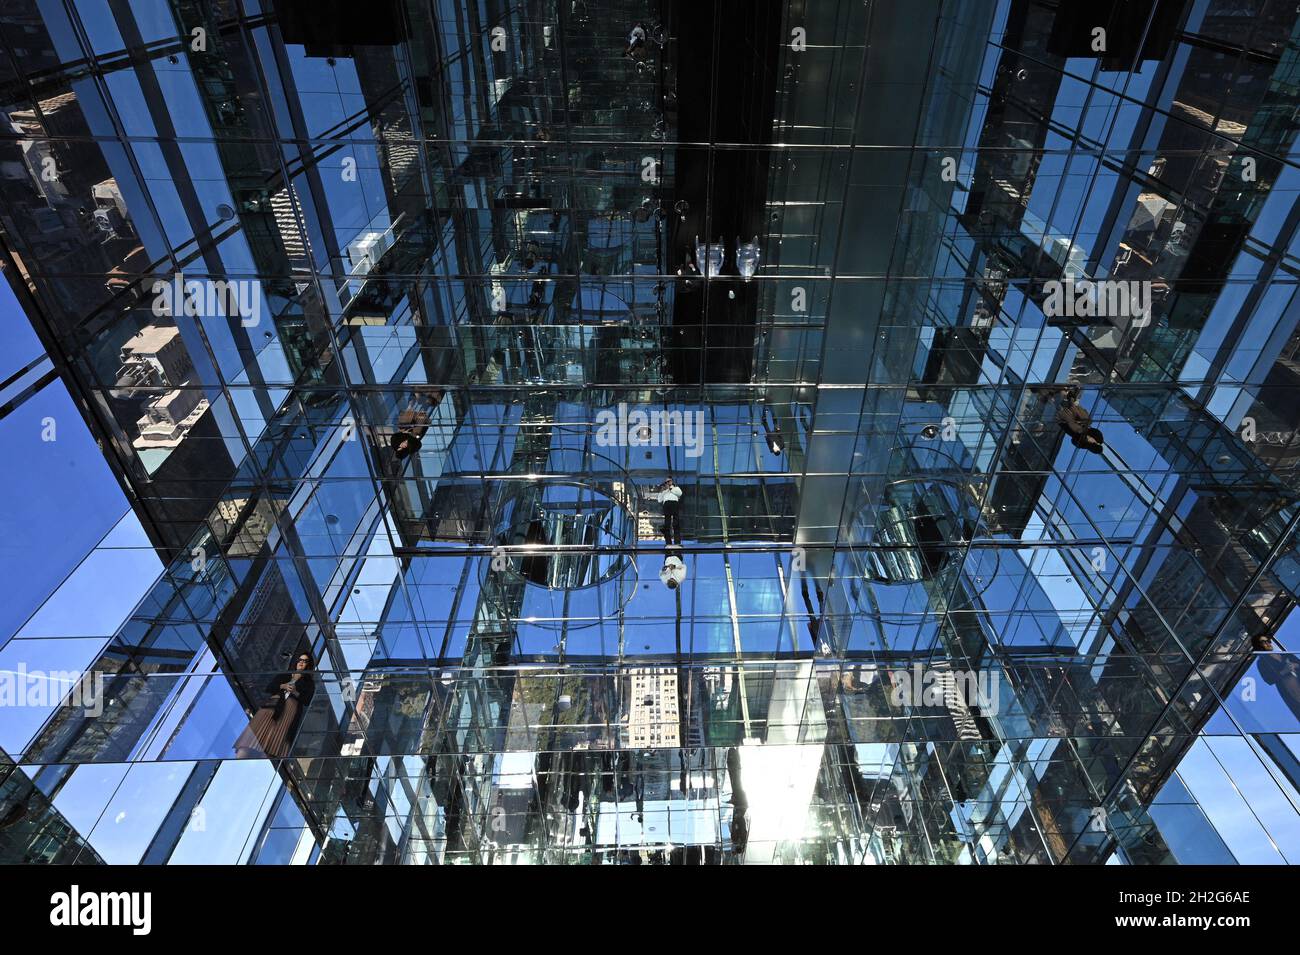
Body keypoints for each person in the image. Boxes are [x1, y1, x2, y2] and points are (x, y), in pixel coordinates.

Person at [234, 652, 316, 759]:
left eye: (305, 661)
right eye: (300, 660)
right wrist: (283, 685)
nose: (301, 662)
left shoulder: (309, 683)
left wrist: (296, 692)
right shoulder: (285, 675)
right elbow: (269, 687)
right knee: (247, 745)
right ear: (296, 661)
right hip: (271, 707)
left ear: (308, 665)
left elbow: (307, 701)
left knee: (270, 748)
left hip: (289, 712)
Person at [1056, 387, 1104, 454]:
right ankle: (1072, 402)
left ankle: (1069, 403)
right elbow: (1094, 430)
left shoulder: (1083, 445)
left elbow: (1074, 440)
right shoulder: (1099, 438)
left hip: (1070, 425)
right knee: (1087, 421)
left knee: (1078, 428)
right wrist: (1087, 433)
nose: (1094, 442)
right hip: (1081, 422)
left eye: (1094, 444)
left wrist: (1082, 435)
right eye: (1096, 443)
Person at [649, 477, 683, 546]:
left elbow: (680, 494)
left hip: (674, 503)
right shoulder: (664, 491)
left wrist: (671, 488)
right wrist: (662, 491)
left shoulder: (676, 488)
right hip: (666, 504)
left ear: (672, 481)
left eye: (669, 481)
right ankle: (668, 540)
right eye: (666, 482)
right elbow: (659, 500)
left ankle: (677, 540)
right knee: (667, 520)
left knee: (676, 520)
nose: (667, 483)